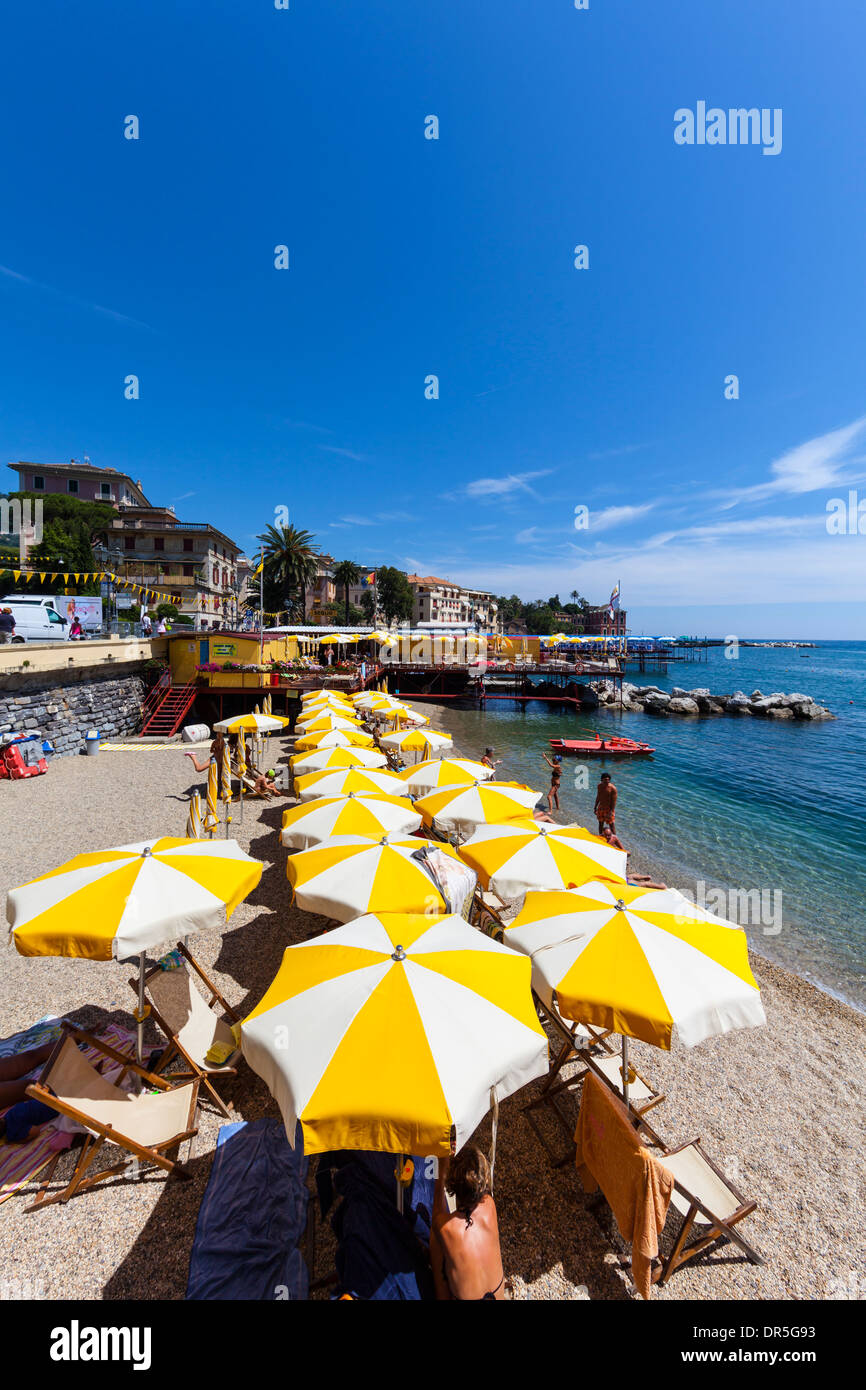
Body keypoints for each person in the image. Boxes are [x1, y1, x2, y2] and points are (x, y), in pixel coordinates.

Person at [430, 1148, 506, 1301]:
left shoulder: (445, 1227)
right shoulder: (490, 1206)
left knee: (436, 1240)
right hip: (498, 1296)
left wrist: (442, 1165)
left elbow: (437, 1206)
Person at [594, 771, 617, 836]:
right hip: (601, 807)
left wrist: (611, 811)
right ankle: (600, 836)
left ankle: (614, 839)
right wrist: (595, 807)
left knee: (611, 824)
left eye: (608, 780)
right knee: (600, 823)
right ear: (602, 779)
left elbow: (614, 801)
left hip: (609, 809)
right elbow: (598, 796)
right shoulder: (599, 786)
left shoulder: (613, 788)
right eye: (605, 780)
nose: (607, 781)